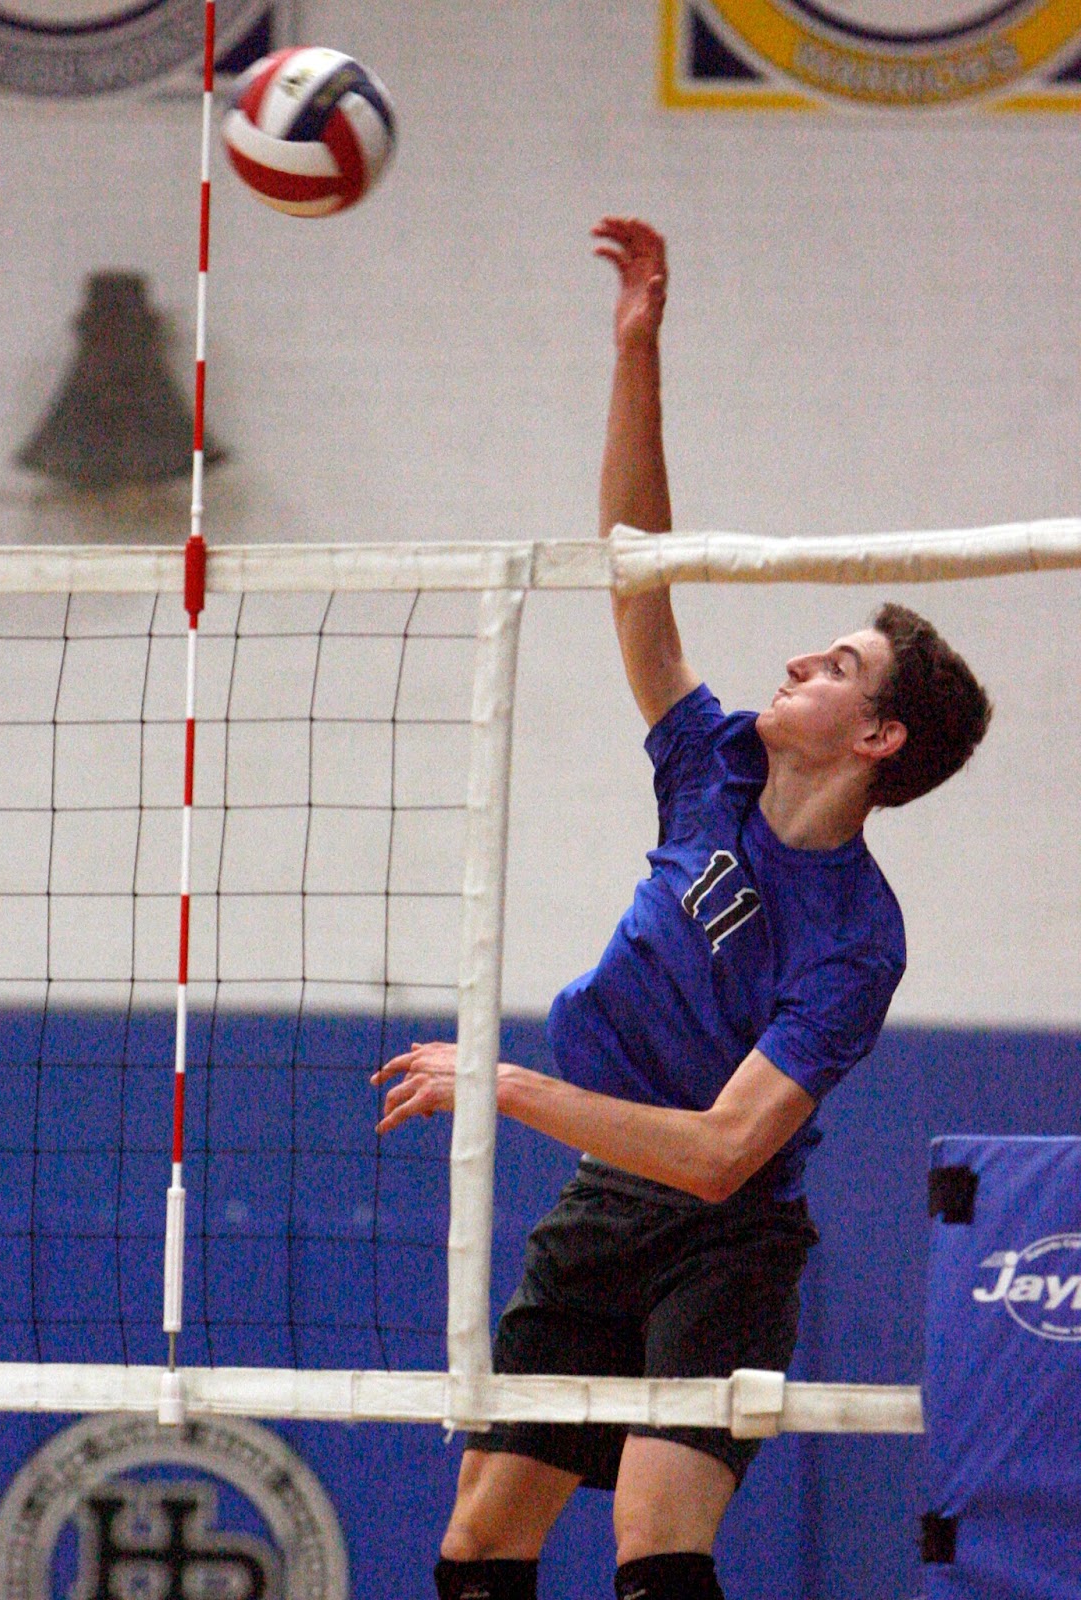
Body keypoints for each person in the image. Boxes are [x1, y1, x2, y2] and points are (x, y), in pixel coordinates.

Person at [372, 217, 993, 1600]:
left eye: (834, 664)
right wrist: (637, 352)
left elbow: (722, 1154)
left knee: (654, 1536)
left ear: (877, 740)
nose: (797, 659)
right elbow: (638, 568)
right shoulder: (707, 770)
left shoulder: (856, 940)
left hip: (724, 1236)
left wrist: (509, 1084)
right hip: (604, 1208)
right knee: (480, 1544)